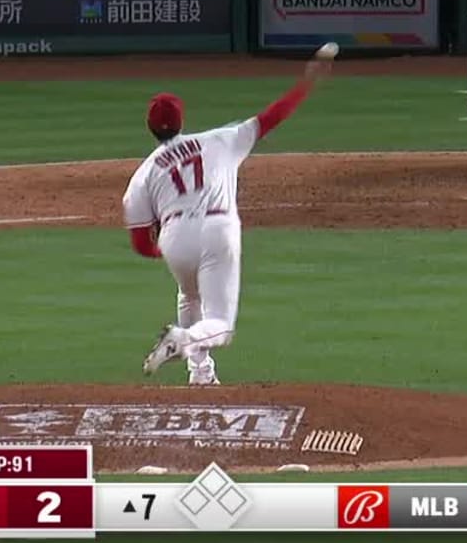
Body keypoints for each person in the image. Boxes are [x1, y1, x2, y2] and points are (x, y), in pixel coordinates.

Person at [128, 50, 332, 385]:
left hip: (175, 238)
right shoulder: (219, 140)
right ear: (182, 120)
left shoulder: (143, 174)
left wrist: (164, 249)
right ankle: (182, 341)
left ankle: (201, 374)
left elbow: (140, 242)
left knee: (189, 294)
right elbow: (272, 117)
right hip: (217, 230)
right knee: (221, 324)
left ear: (149, 128)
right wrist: (306, 83)